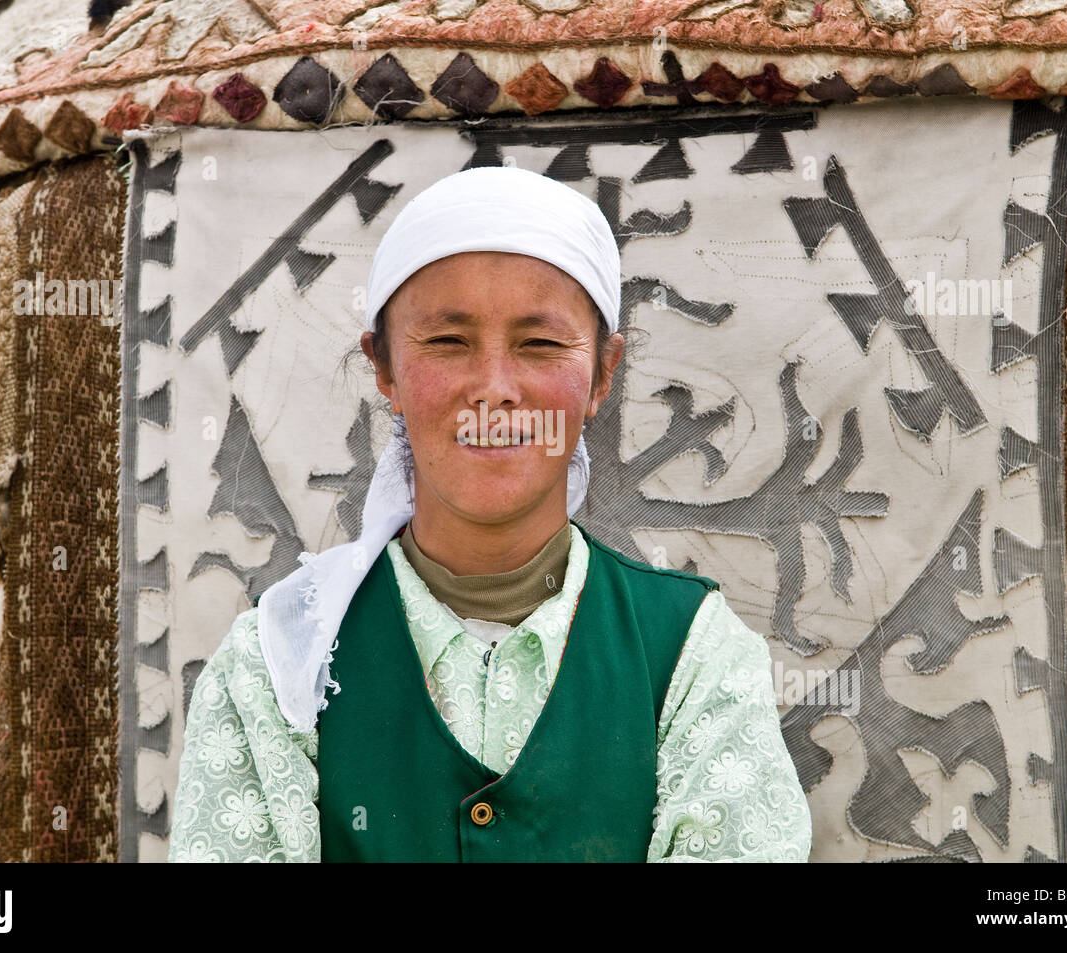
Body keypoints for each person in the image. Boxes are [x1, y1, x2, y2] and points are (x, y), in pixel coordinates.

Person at [167, 165, 811, 862]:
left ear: (602, 374)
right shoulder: (275, 667)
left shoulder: (694, 657)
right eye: (448, 341)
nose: (495, 389)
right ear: (383, 367)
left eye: (539, 344)